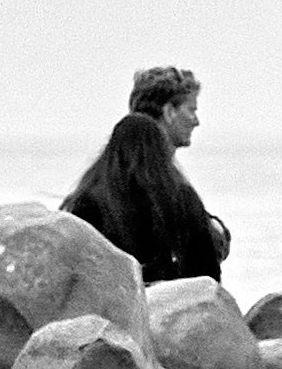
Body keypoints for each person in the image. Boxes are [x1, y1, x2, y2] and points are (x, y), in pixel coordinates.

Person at [59, 63, 232, 288]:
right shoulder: (175, 193)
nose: (196, 121)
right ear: (169, 112)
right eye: (192, 109)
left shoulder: (98, 185)